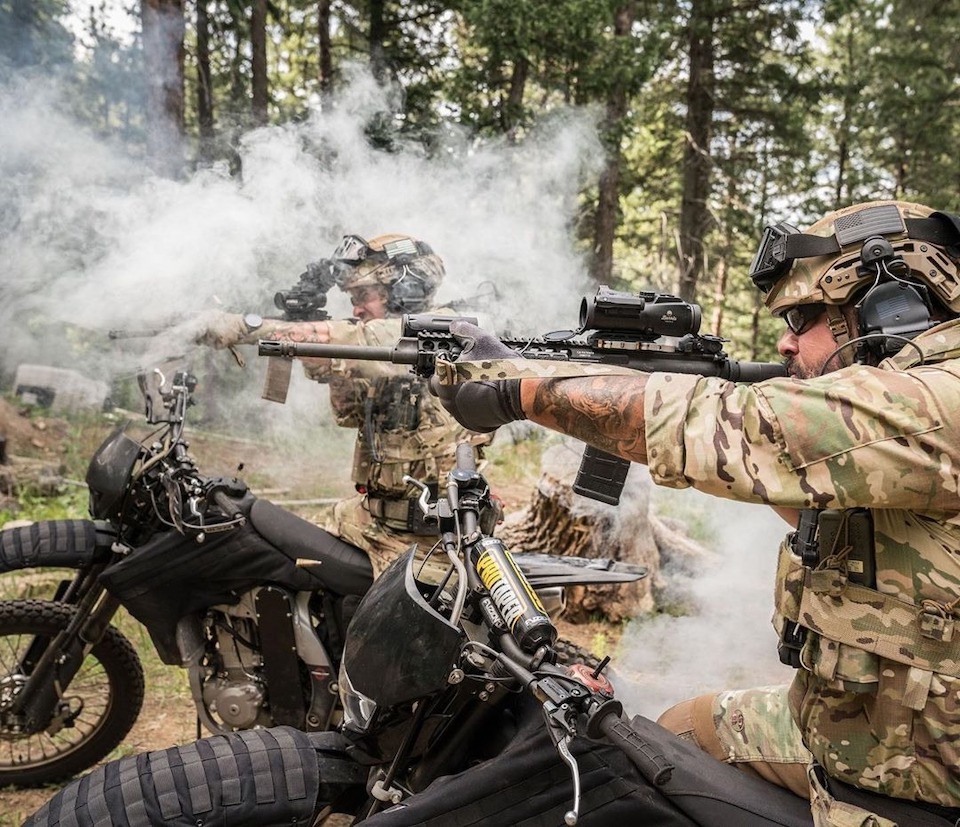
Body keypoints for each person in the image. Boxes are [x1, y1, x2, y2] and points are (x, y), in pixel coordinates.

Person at [427, 200, 960, 825]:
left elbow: (743, 429)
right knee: (676, 730)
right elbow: (813, 503)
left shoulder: (938, 400)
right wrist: (610, 382)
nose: (785, 341)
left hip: (920, 783)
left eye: (804, 316)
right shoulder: (899, 422)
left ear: (892, 304)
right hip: (860, 730)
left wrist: (521, 387)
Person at [196, 233, 494, 576]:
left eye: (364, 295)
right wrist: (315, 352)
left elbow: (361, 339)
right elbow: (349, 412)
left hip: (432, 540)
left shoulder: (443, 333)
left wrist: (243, 328)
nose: (355, 308)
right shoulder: (386, 350)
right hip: (369, 516)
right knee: (281, 565)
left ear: (404, 291)